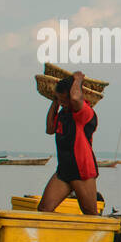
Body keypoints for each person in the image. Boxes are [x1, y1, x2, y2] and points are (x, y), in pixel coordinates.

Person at [39, 71, 100, 214]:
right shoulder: (63, 113)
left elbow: (75, 98)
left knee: (90, 214)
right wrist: (55, 101)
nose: (62, 104)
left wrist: (77, 79)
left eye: (64, 100)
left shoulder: (84, 112)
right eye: (60, 100)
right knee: (44, 209)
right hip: (64, 170)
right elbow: (49, 129)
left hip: (82, 170)